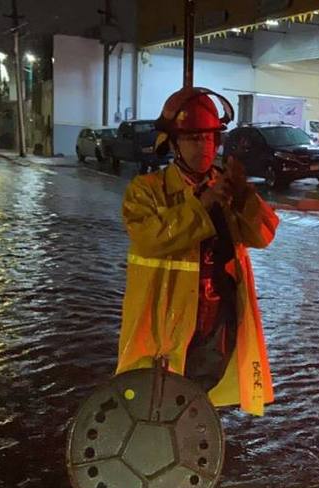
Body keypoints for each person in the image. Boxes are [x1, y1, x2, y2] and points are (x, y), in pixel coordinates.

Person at [117, 86, 279, 415]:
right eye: (192, 138)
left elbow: (263, 236)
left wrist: (245, 195)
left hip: (219, 324)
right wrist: (202, 205)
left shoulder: (228, 187)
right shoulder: (146, 191)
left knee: (206, 412)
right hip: (169, 328)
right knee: (160, 409)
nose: (203, 147)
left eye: (208, 138)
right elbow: (150, 238)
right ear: (173, 144)